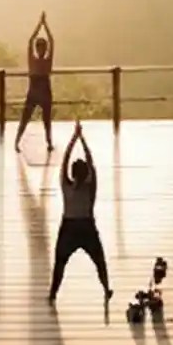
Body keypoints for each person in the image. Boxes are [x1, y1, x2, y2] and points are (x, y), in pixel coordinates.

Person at [49, 120, 113, 303]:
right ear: (86, 175)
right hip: (86, 226)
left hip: (69, 227)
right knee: (99, 261)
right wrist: (81, 139)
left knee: (60, 263)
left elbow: (65, 160)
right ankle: (106, 288)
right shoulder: (89, 189)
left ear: (73, 173)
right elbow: (90, 162)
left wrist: (74, 139)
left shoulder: (67, 186)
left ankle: (53, 293)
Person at [15, 12, 55, 152]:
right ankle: (17, 141)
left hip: (44, 89)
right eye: (39, 48)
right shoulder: (33, 61)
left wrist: (45, 25)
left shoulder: (47, 61)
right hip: (34, 90)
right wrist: (40, 25)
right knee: (26, 116)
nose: (41, 50)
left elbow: (52, 41)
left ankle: (49, 142)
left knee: (46, 119)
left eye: (43, 48)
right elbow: (30, 41)